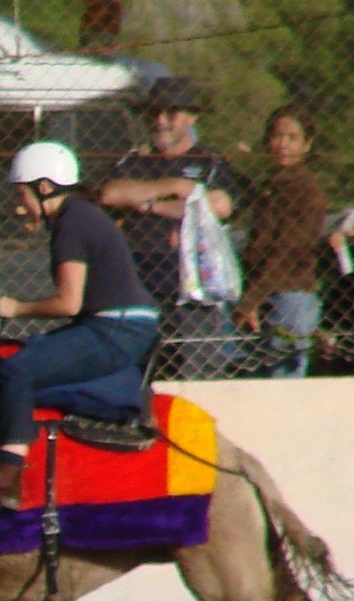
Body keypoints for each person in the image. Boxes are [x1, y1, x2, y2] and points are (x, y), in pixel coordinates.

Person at [0, 141, 158, 509]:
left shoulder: (71, 223)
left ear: (44, 187)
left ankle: (8, 476)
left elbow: (69, 302)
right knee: (23, 356)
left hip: (116, 330)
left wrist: (16, 308)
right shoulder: (81, 215)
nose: (21, 205)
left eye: (23, 193)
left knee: (16, 371)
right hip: (122, 326)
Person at [98, 76, 241, 380]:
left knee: (193, 372)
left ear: (191, 117)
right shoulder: (133, 162)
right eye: (154, 113)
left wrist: (151, 204)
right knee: (133, 370)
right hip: (138, 281)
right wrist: (176, 188)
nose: (160, 121)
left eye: (171, 113)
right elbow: (111, 193)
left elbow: (218, 205)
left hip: (190, 287)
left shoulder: (209, 162)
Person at [233, 104, 328, 377]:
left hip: (289, 296)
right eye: (277, 136)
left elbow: (286, 254)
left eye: (292, 138)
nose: (282, 145)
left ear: (307, 145)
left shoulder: (304, 190)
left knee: (281, 380)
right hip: (265, 292)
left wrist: (250, 300)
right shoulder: (273, 185)